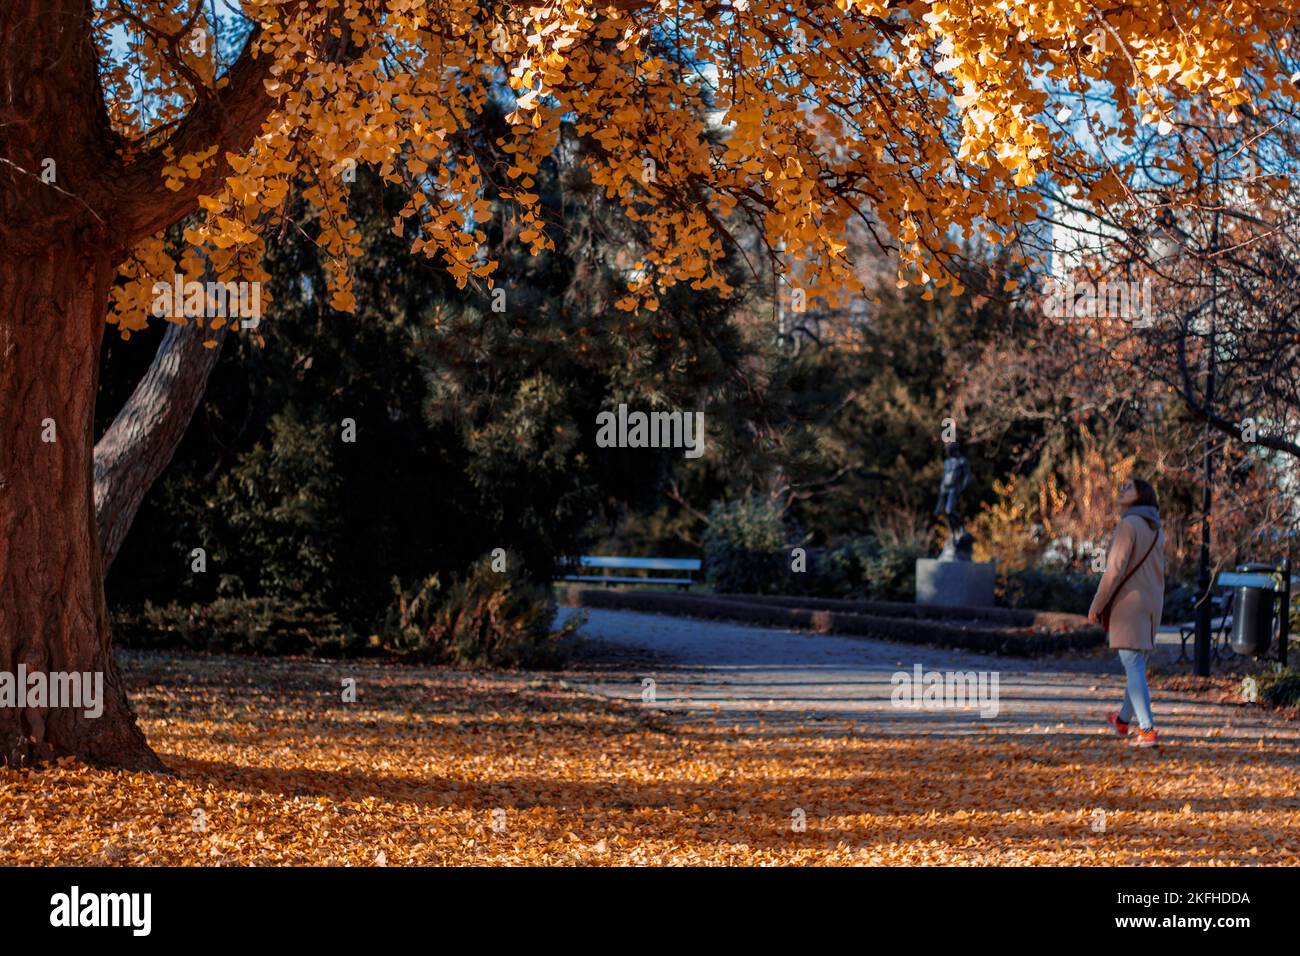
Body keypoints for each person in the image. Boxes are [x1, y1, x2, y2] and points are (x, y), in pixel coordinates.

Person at [1087, 477, 1165, 748]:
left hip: (1128, 605)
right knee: (1137, 666)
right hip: (1152, 604)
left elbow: (1114, 571)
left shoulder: (1128, 525)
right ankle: (1122, 721)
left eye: (1128, 488)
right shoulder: (1156, 528)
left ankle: (1147, 729)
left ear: (1141, 495)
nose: (1122, 490)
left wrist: (1096, 605)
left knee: (1133, 666)